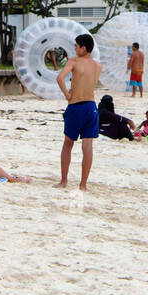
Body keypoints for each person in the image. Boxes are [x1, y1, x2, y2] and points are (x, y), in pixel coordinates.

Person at [55, 32, 101, 190]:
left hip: (76, 106)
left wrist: (68, 94)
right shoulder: (97, 65)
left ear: (83, 47)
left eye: (76, 46)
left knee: (68, 144)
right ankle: (83, 184)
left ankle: (64, 181)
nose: (74, 49)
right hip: (91, 106)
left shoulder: (74, 61)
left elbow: (60, 78)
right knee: (88, 145)